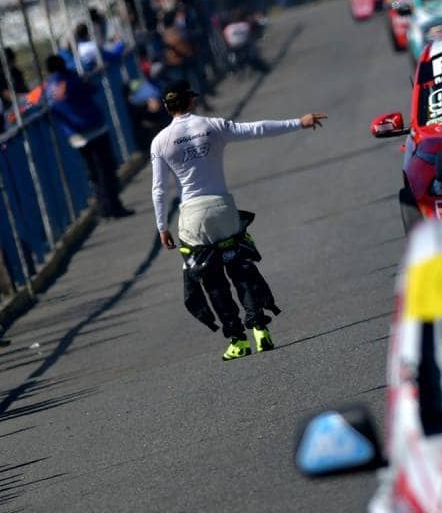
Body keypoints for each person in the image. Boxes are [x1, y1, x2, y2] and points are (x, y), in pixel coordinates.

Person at [150, 80, 326, 360]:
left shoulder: (160, 141)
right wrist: (298, 122)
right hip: (223, 208)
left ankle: (237, 340)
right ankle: (259, 328)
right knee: (241, 269)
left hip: (192, 216)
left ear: (166, 106)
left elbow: (159, 189)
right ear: (192, 100)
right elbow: (257, 128)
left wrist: (162, 227)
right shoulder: (212, 125)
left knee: (212, 281)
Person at [44, 54, 133, 219]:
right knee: (106, 169)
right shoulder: (71, 80)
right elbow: (92, 88)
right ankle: (114, 206)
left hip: (76, 135)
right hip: (94, 127)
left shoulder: (49, 88)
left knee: (93, 172)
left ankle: (103, 207)